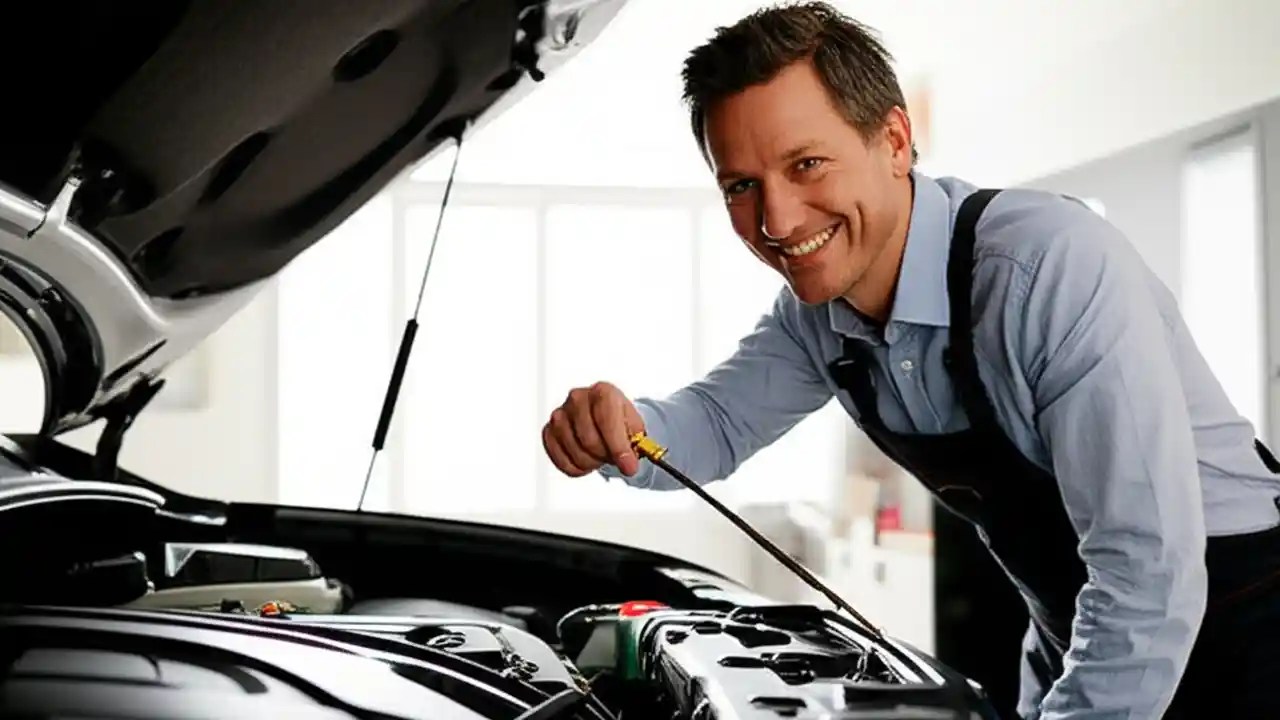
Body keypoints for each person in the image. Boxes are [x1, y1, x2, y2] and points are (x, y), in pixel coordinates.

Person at [540, 2, 1280, 718]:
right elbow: (715, 425)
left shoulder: (1048, 269)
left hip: (1242, 625)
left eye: (806, 164)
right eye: (742, 186)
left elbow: (1146, 568)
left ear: (894, 141)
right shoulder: (815, 318)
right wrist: (624, 429)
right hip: (1076, 630)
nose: (776, 221)